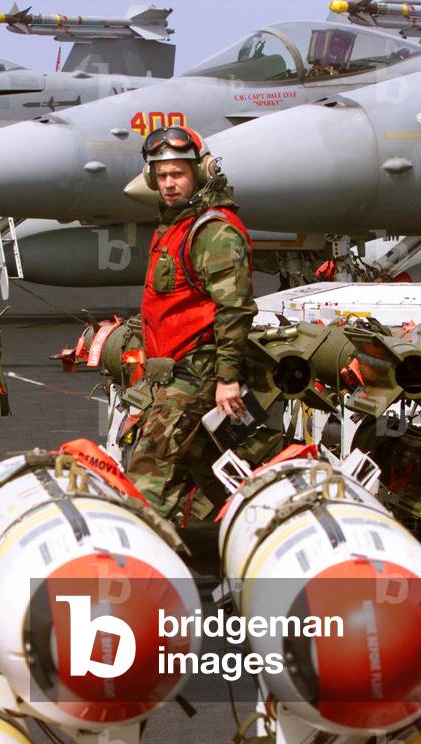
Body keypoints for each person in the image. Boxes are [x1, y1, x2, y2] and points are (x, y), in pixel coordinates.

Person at [125, 126, 257, 521]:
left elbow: (234, 308)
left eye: (177, 174)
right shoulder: (176, 225)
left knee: (148, 476)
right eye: (161, 175)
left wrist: (228, 379)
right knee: (200, 471)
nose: (168, 183)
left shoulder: (212, 231)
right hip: (171, 375)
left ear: (199, 173)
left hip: (196, 374)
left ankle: (138, 568)